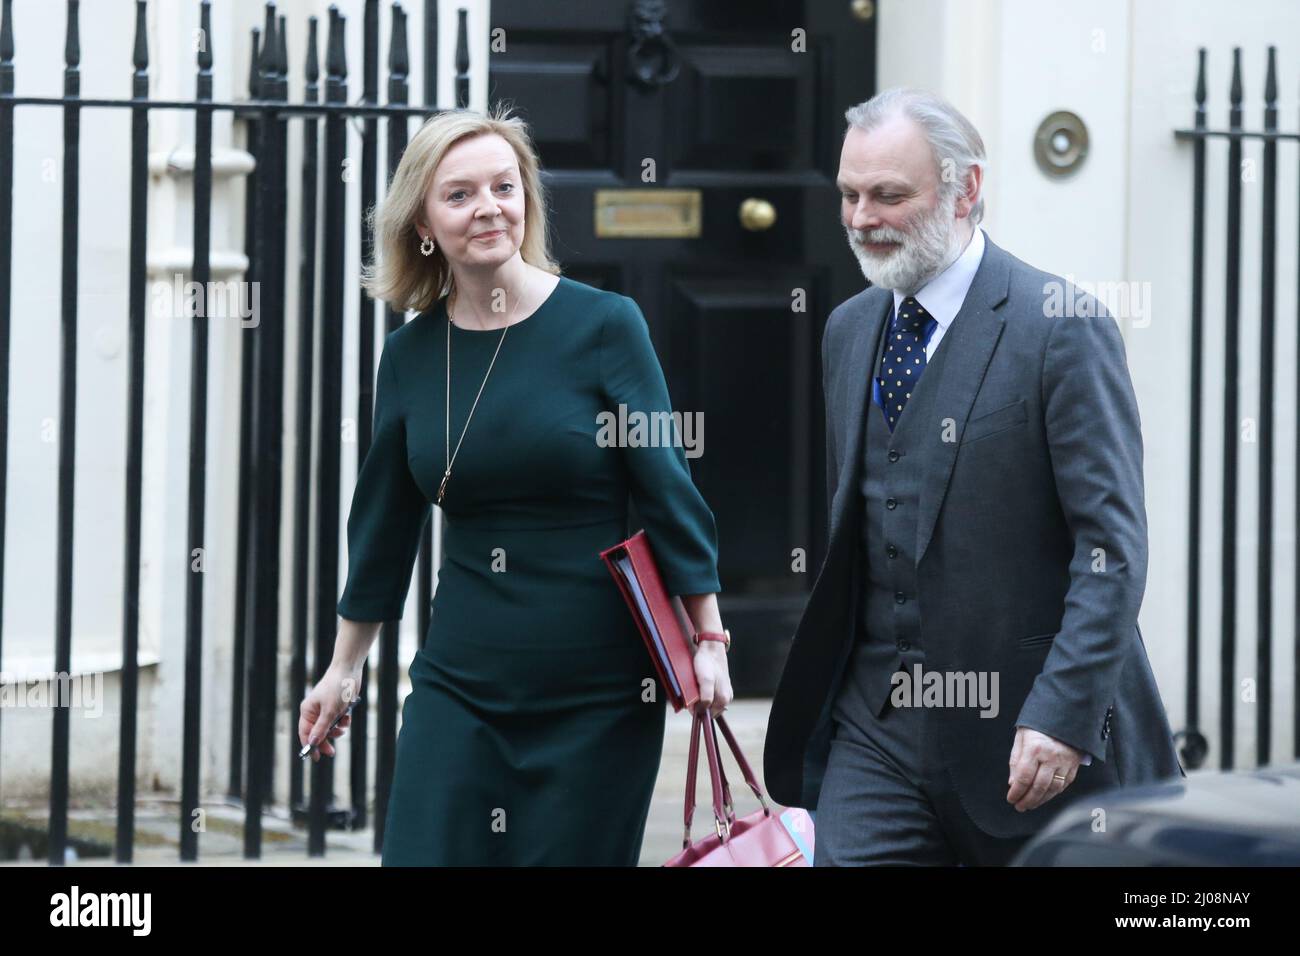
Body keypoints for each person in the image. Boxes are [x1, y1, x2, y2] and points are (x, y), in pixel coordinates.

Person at [298, 105, 733, 866]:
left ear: (526, 199)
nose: (489, 207)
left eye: (505, 186)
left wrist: (710, 640)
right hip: (460, 682)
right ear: (424, 223)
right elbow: (383, 527)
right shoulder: (409, 355)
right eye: (460, 194)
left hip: (597, 691)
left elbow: (669, 490)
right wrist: (344, 667)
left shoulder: (606, 325)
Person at [762, 87, 1185, 866]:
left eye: (889, 195)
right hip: (875, 726)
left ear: (968, 190)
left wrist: (1062, 713)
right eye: (850, 195)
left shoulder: (1061, 327)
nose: (861, 218)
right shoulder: (849, 330)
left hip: (1026, 729)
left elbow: (1111, 550)